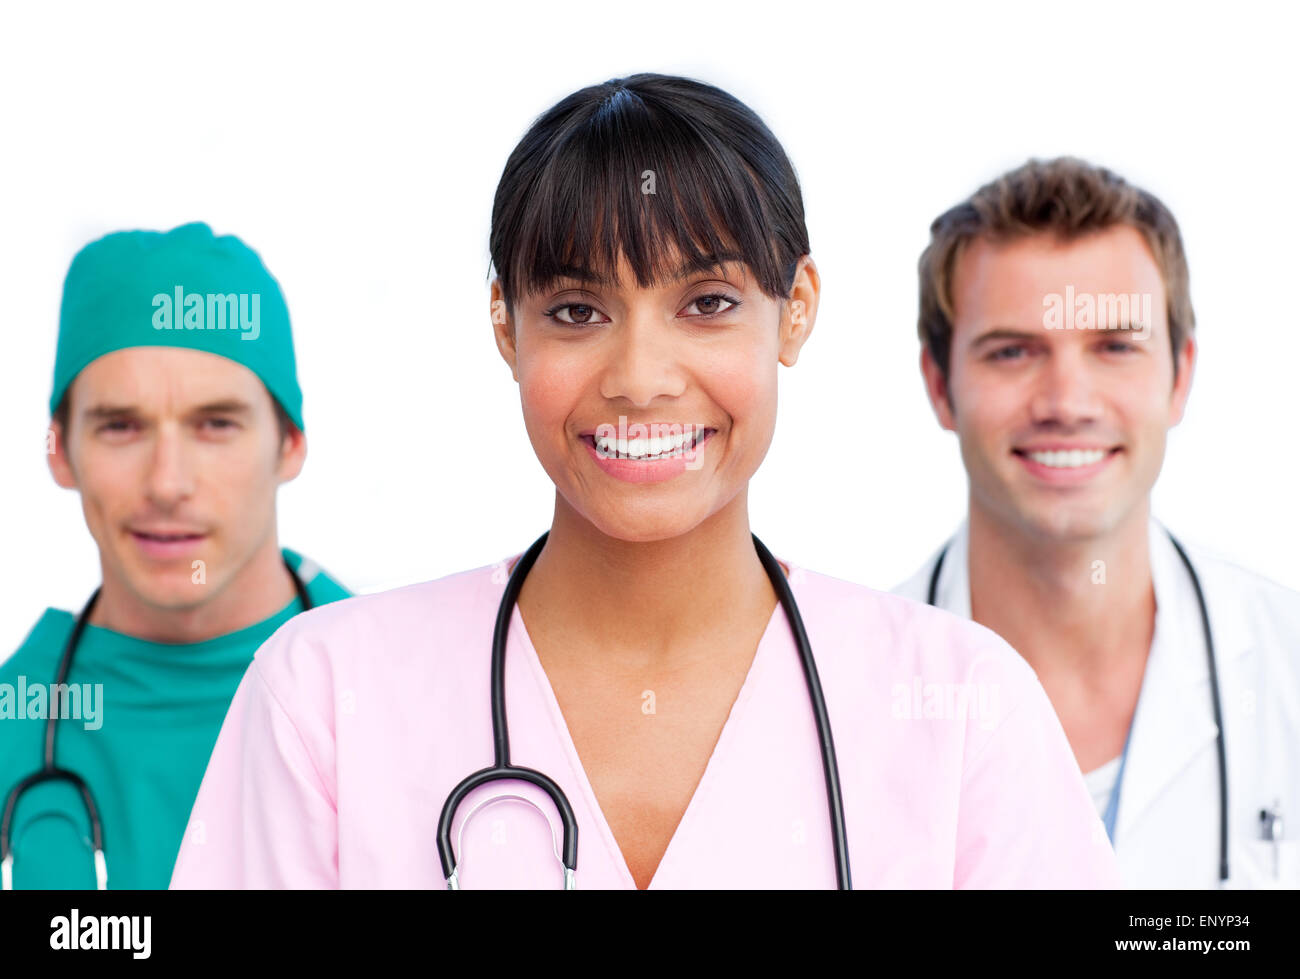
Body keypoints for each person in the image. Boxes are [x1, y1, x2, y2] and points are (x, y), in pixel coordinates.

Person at [170, 76, 1119, 890]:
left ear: (797, 314)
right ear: (505, 328)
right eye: (578, 310)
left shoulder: (963, 708)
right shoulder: (324, 696)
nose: (640, 375)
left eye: (707, 304)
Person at [894, 158, 1300, 888]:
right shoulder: (838, 697)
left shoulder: (1286, 668)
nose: (1067, 400)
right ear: (939, 385)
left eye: (1114, 346)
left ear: (1180, 376)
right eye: (1013, 351)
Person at [0, 222, 350, 889]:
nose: (166, 482)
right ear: (60, 451)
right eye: (120, 426)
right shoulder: (11, 725)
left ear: (291, 443)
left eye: (215, 423)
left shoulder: (404, 693)